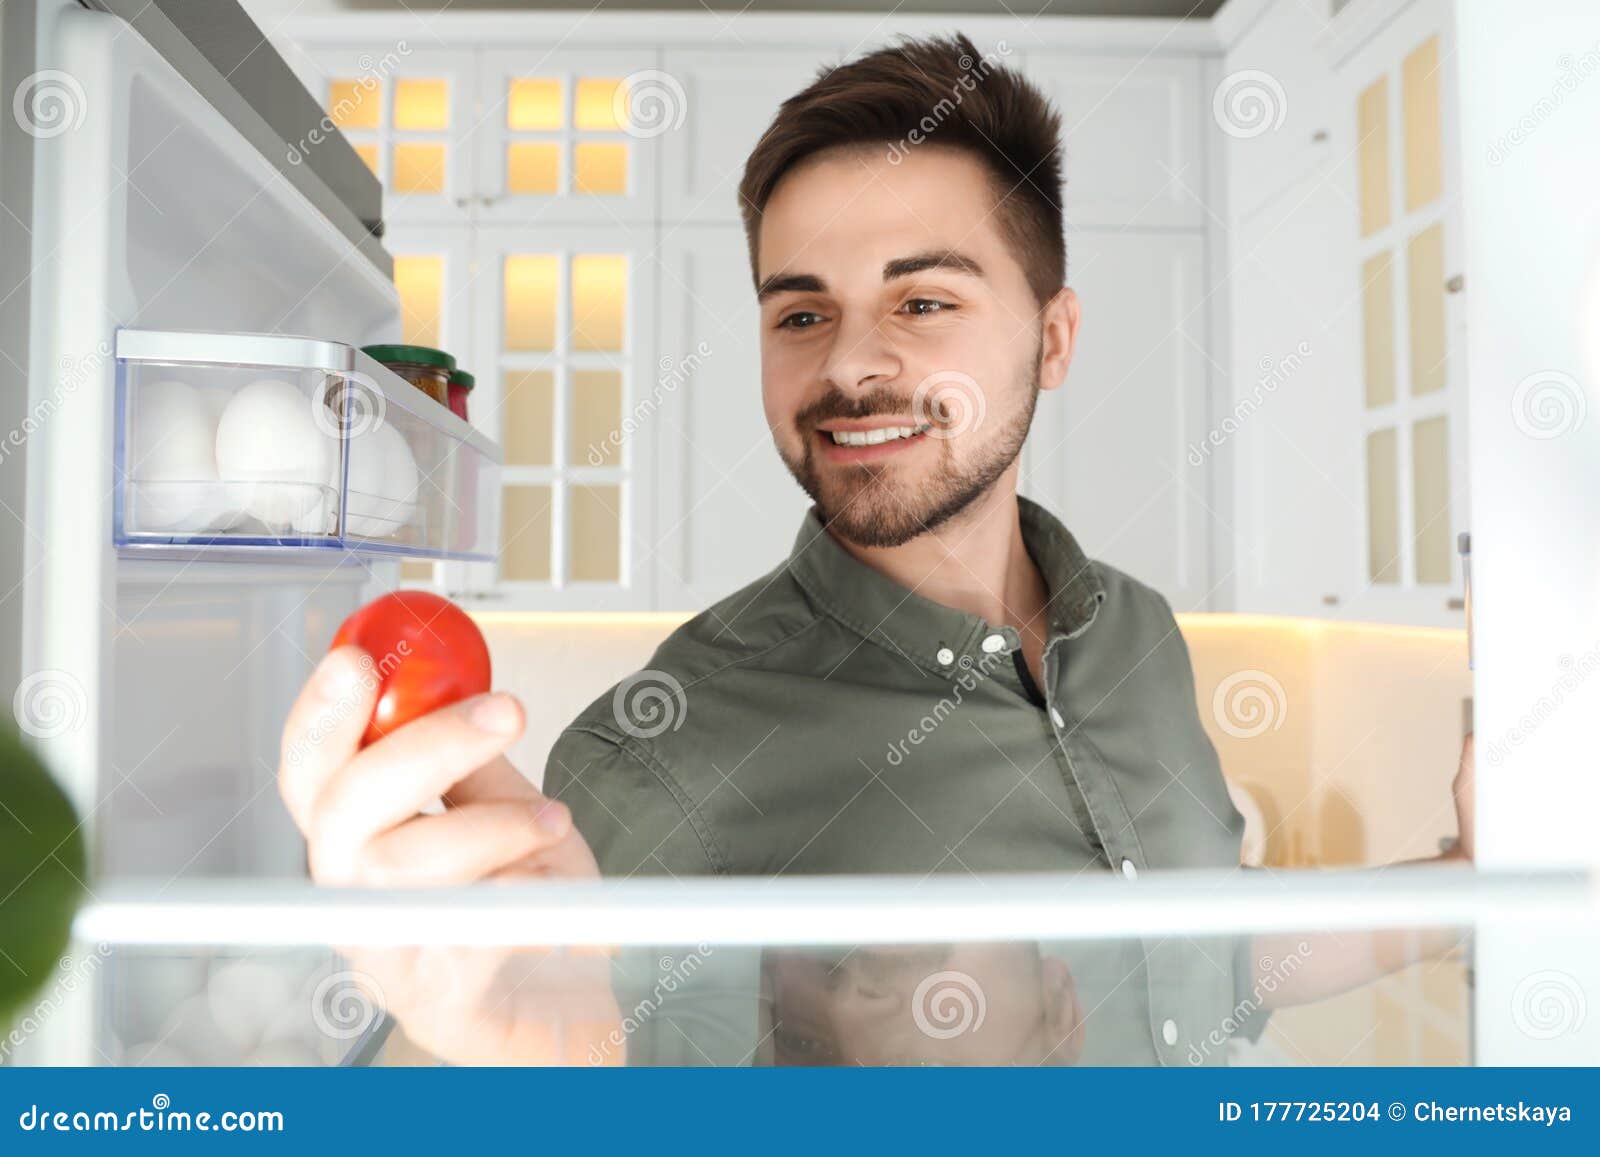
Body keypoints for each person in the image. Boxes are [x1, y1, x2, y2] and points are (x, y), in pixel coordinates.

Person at [277, 32, 1474, 1066]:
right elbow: (590, 1044)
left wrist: (1467, 880)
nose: (850, 363)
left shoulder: (1138, 636)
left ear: (1052, 337)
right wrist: (549, 1077)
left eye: (923, 301)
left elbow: (1207, 948)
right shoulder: (665, 760)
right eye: (801, 313)